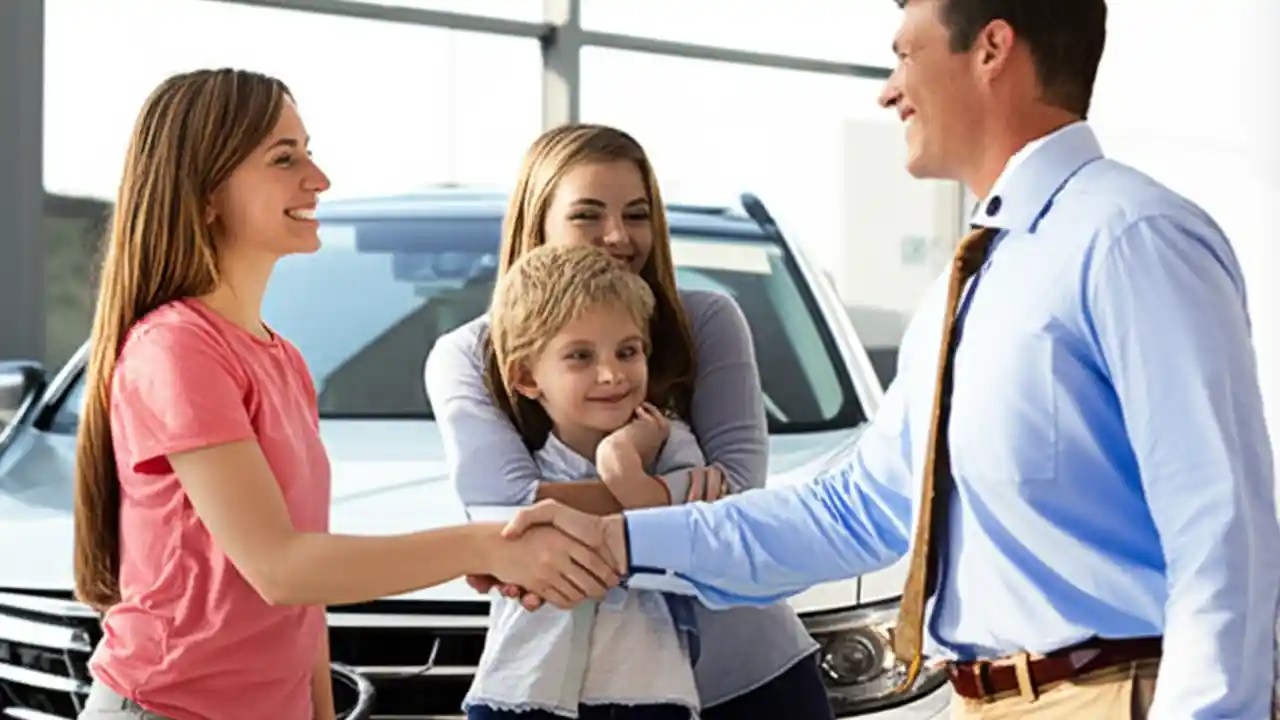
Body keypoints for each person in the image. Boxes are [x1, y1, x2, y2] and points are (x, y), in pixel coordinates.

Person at [501, 1, 1280, 718]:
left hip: (1113, 696)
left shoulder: (1129, 235)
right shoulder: (973, 277)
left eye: (905, 54)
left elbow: (1221, 533)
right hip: (987, 700)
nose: (889, 92)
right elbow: (860, 507)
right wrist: (619, 542)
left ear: (992, 50)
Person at [72, 68, 617, 720]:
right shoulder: (177, 348)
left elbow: (305, 594)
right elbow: (281, 568)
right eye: (285, 157)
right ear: (207, 191)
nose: (318, 178)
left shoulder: (282, 359)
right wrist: (487, 544)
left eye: (307, 149)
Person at [424, 123, 835, 720]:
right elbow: (503, 516)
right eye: (588, 215)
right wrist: (653, 492)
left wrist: (568, 505)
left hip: (746, 677)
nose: (618, 237)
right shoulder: (468, 354)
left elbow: (738, 498)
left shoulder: (707, 321)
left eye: (636, 214)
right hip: (554, 687)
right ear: (537, 223)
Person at [464, 242, 708, 720]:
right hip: (522, 688)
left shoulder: (669, 443)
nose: (611, 373)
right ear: (528, 379)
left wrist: (620, 461)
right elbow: (496, 534)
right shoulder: (519, 469)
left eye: (628, 351)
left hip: (646, 691)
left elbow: (678, 536)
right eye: (579, 356)